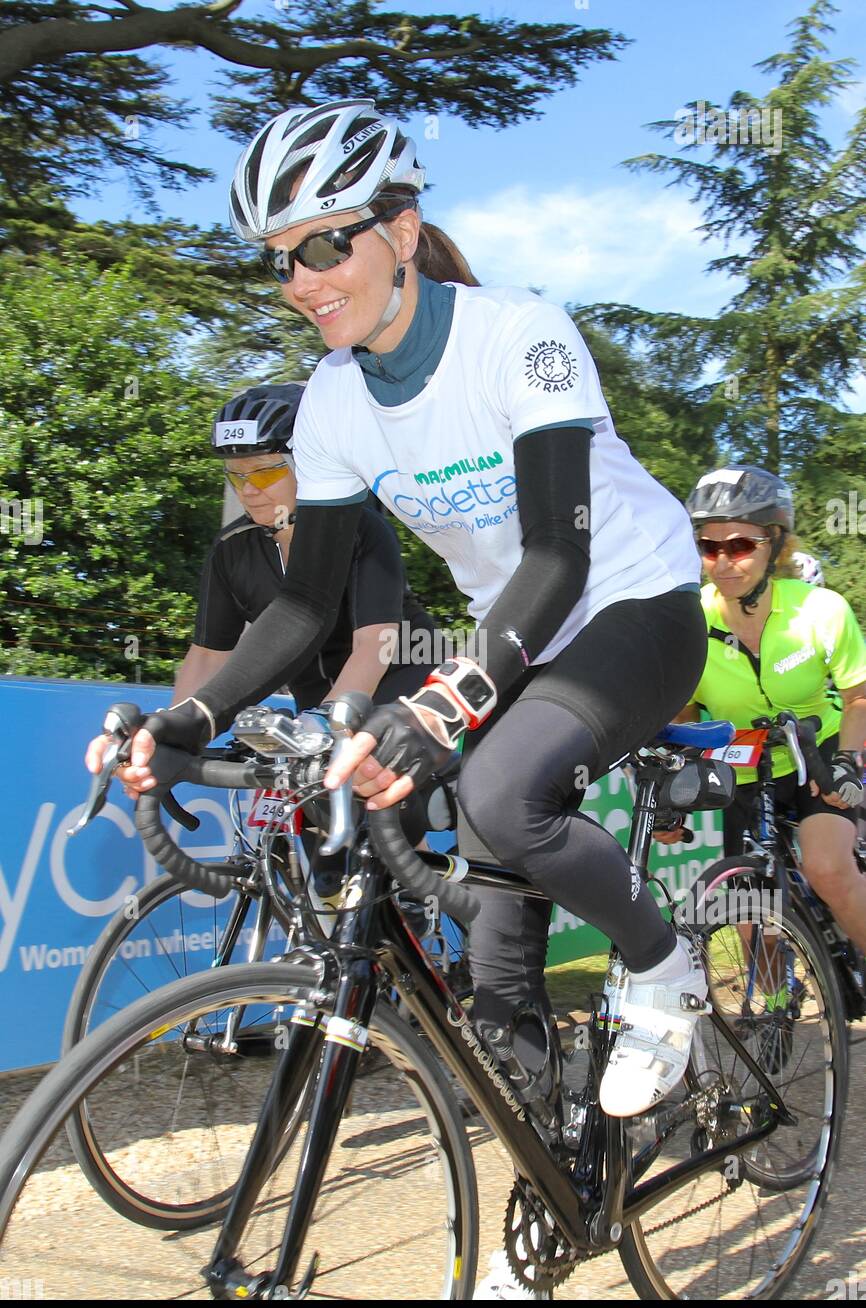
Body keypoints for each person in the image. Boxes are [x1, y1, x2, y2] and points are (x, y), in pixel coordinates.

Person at [89, 98, 708, 1143]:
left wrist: (441, 705)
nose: (301, 281)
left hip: (632, 599)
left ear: (402, 234)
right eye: (279, 259)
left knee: (504, 794)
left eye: (325, 243)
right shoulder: (330, 400)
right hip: (521, 629)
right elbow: (301, 603)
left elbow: (558, 553)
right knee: (486, 906)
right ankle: (548, 1163)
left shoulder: (521, 335)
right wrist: (189, 720)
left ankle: (661, 963)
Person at [655, 466, 866, 961]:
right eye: (709, 548)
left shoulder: (822, 609)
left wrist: (849, 761)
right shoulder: (691, 622)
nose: (724, 562)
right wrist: (673, 792)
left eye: (741, 546)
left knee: (828, 868)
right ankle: (771, 1025)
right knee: (751, 919)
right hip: (744, 765)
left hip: (819, 750)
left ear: (774, 544)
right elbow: (683, 716)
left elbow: (858, 697)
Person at [175, 381, 437, 713]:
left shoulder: (364, 530)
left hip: (402, 685)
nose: (248, 491)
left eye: (265, 473)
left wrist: (326, 724)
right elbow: (207, 655)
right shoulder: (231, 549)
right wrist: (172, 732)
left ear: (309, 465)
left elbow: (374, 647)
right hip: (315, 703)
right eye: (237, 476)